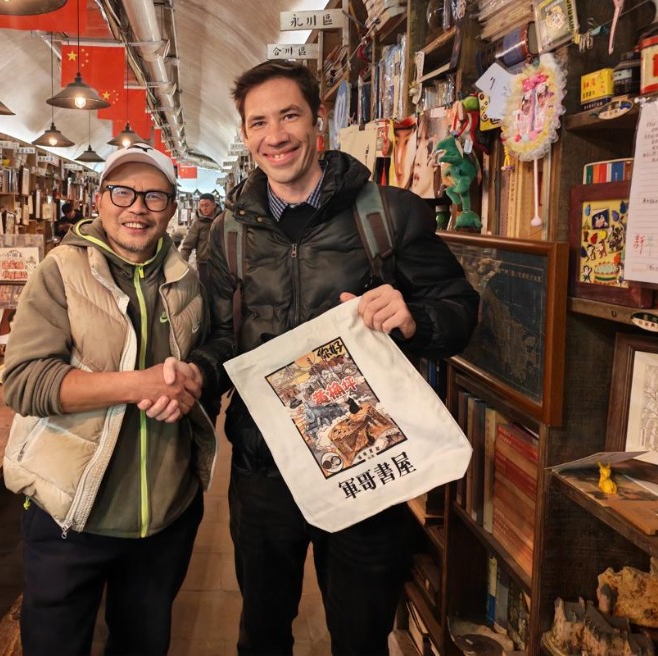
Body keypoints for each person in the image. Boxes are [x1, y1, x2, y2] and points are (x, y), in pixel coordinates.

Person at [186, 60, 480, 656]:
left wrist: (414, 317)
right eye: (259, 122)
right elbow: (221, 339)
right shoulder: (230, 235)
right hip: (263, 470)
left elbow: (460, 309)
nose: (276, 135)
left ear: (317, 120)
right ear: (245, 136)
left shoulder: (388, 214)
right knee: (262, 632)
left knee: (361, 634)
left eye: (289, 115)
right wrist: (196, 374)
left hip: (367, 465)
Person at [1, 143, 217, 656]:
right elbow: (25, 382)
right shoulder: (61, 271)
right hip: (71, 514)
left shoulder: (186, 280)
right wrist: (135, 385)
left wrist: (191, 379)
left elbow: (203, 357)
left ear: (172, 206)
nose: (136, 208)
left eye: (154, 196)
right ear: (99, 200)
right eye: (122, 192)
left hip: (165, 515)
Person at [178, 192, 223, 286]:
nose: (204, 208)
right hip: (204, 264)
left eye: (207, 205)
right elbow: (187, 246)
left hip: (221, 263)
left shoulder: (222, 220)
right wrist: (181, 264)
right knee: (206, 292)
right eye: (202, 206)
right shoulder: (198, 223)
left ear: (214, 205)